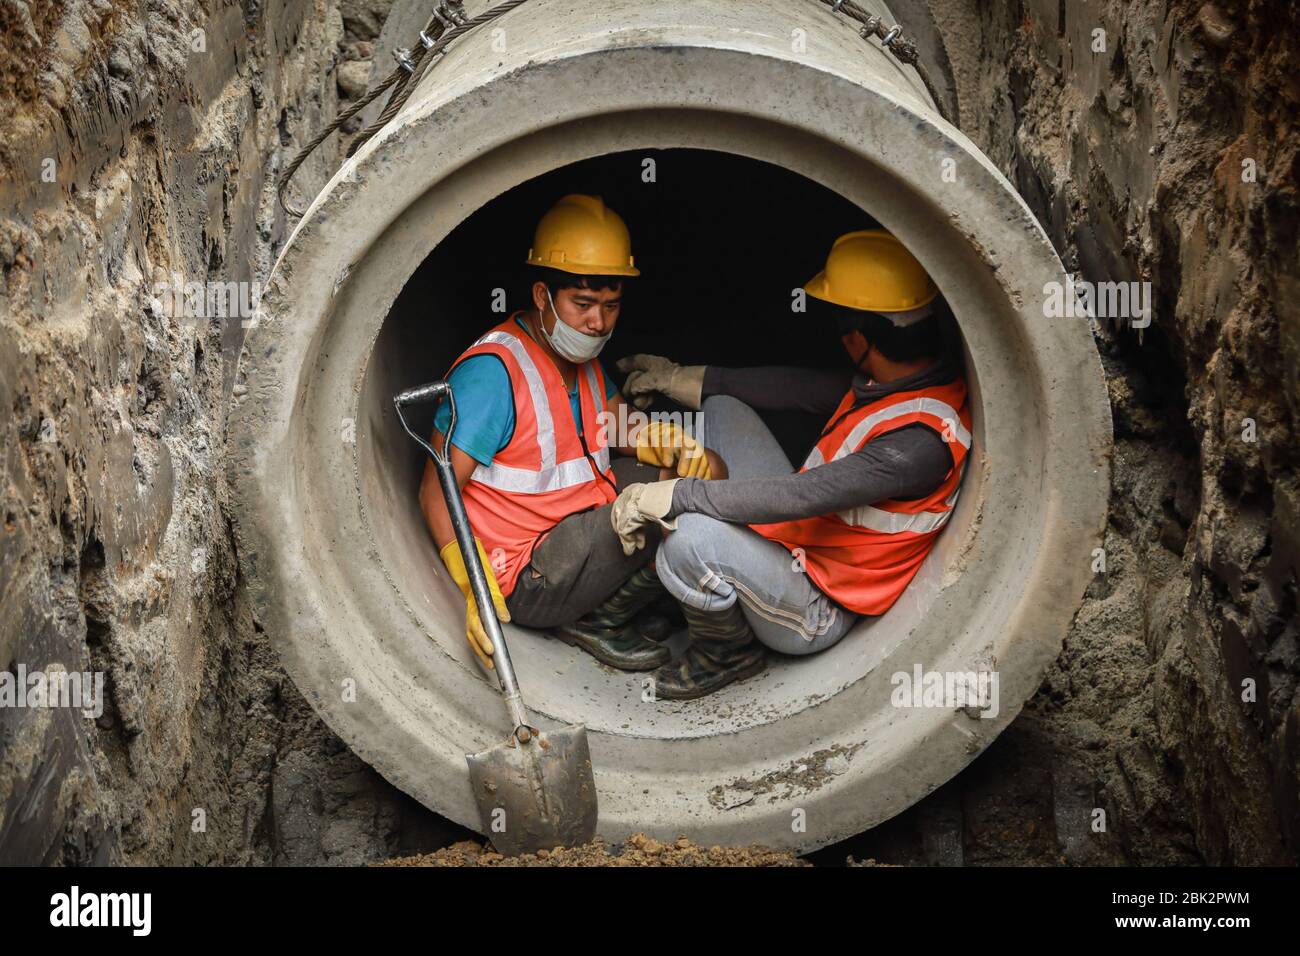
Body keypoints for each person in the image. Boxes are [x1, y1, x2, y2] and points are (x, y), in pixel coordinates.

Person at [612, 229, 972, 700]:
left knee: (689, 536)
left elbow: (802, 495)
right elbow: (795, 388)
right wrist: (679, 378)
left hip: (817, 604)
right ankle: (693, 590)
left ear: (858, 336)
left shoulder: (917, 447)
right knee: (725, 407)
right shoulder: (904, 379)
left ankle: (725, 652)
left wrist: (673, 495)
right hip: (803, 545)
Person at [418, 194, 723, 673]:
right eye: (582, 304)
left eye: (610, 306)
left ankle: (609, 601)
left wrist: (668, 441)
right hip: (529, 574)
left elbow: (619, 427)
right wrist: (472, 585)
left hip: (575, 527)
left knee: (691, 476)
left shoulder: (577, 360)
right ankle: (598, 618)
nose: (597, 322)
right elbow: (436, 488)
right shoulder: (492, 374)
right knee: (665, 503)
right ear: (542, 296)